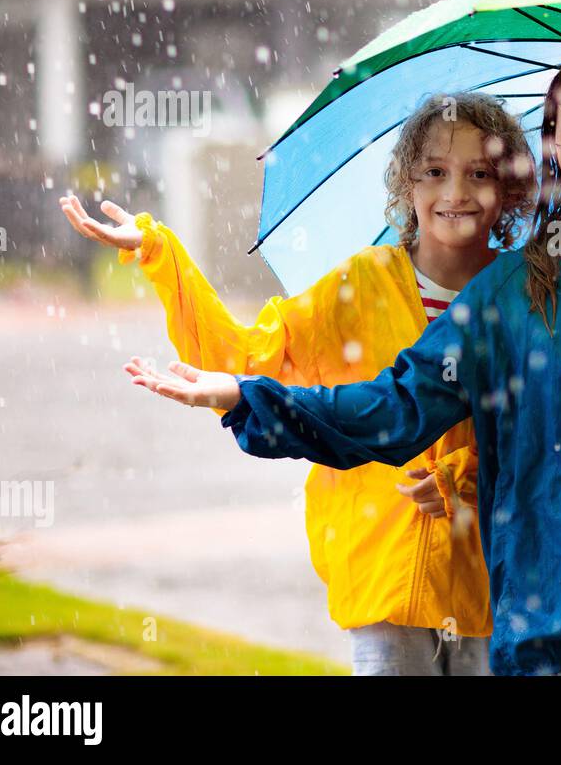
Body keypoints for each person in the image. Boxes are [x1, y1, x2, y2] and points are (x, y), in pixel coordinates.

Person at [123, 49, 561, 676]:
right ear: (552, 151)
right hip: (554, 645)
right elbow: (395, 406)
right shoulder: (507, 293)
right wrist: (247, 396)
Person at [62, 91, 536, 675]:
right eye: (434, 171)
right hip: (383, 586)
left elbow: (544, 434)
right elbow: (247, 357)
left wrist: (467, 476)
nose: (455, 192)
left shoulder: (525, 295)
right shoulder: (360, 285)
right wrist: (163, 257)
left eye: (479, 173)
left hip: (496, 589)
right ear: (407, 187)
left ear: (509, 190)